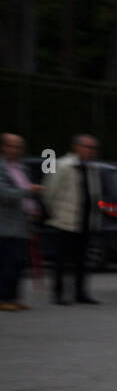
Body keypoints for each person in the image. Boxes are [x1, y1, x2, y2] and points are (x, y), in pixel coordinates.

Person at [42, 133, 102, 304]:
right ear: (76, 147)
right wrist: (56, 213)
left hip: (85, 220)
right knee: (61, 259)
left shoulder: (92, 168)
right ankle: (59, 293)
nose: (91, 151)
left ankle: (80, 293)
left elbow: (95, 193)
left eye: (94, 148)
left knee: (82, 260)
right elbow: (50, 192)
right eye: (88, 147)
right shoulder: (63, 165)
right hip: (65, 220)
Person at [0, 132, 41, 311]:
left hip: (22, 224)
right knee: (7, 263)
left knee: (18, 262)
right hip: (5, 224)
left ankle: (14, 297)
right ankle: (3, 298)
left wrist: (33, 208)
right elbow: (4, 193)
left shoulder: (21, 167)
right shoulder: (2, 168)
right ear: (3, 147)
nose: (16, 150)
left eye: (18, 146)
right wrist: (28, 191)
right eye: (12, 146)